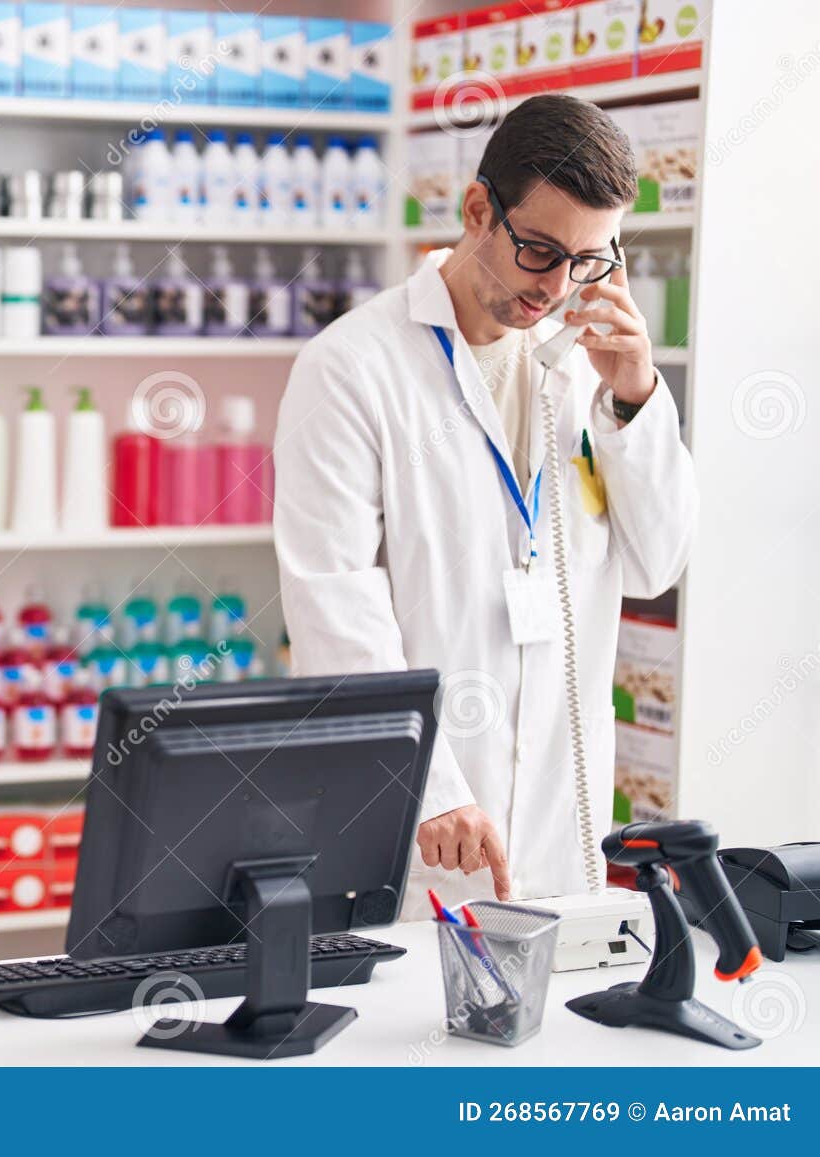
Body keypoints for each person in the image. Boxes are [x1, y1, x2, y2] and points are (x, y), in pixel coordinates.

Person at [274, 95, 696, 918]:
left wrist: (638, 397)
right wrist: (425, 784)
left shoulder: (586, 368)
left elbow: (656, 563)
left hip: (559, 821)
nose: (559, 287)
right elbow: (334, 603)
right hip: (414, 821)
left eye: (592, 260)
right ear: (478, 211)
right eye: (539, 251)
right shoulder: (354, 367)